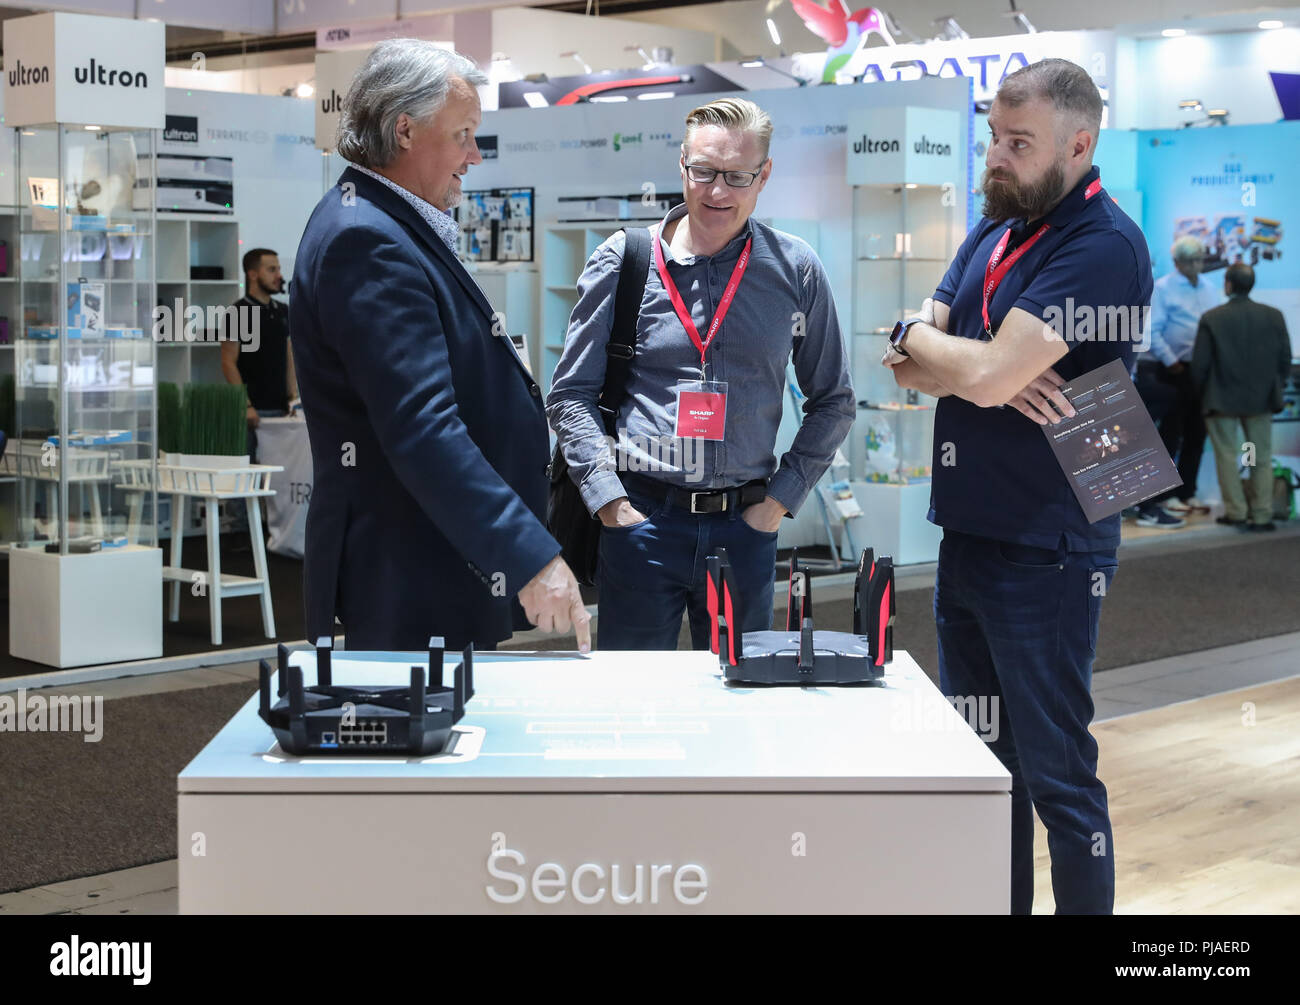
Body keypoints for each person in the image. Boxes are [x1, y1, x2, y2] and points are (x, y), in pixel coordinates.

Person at [881, 59, 1152, 914]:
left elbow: (981, 369)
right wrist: (939, 348)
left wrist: (969, 362)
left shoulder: (1104, 245)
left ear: (1079, 144)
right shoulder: (994, 231)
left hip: (1054, 545)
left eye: (1019, 142)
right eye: (994, 137)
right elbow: (907, 360)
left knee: (1058, 779)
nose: (996, 155)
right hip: (970, 533)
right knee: (986, 774)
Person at [289, 40, 589, 653]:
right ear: (404, 130)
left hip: (430, 564)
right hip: (407, 575)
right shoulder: (368, 241)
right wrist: (529, 557)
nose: (474, 156)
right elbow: (422, 429)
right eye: (464, 135)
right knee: (415, 744)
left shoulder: (384, 223)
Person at [547, 97, 854, 651]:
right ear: (681, 165)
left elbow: (833, 399)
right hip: (642, 522)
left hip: (745, 527)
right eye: (705, 172)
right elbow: (571, 395)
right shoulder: (624, 261)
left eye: (737, 176)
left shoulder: (795, 269)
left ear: (764, 175)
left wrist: (780, 500)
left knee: (740, 705)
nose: (718, 193)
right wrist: (610, 502)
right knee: (637, 708)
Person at [1191, 263, 1292, 532]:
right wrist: (1275, 386)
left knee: (1226, 455)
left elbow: (1199, 365)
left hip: (1220, 400)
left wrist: (1201, 393)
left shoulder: (1213, 318)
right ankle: (1262, 514)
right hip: (1260, 402)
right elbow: (1284, 360)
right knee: (1258, 456)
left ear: (1228, 285)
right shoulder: (1274, 316)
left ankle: (1236, 512)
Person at [1135, 235, 1223, 521]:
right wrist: (1172, 363)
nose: (1195, 265)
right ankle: (1165, 495)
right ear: (1176, 262)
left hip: (1203, 369)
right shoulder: (1163, 288)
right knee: (1171, 433)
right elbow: (1153, 331)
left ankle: (1188, 491)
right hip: (1173, 369)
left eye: (1199, 260)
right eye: (1189, 261)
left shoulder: (1211, 289)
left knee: (1197, 432)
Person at [220, 247, 294, 462]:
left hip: (280, 410)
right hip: (251, 412)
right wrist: (246, 405)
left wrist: (293, 398)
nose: (279, 275)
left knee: (278, 478)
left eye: (278, 269)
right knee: (246, 476)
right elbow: (228, 362)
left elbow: (288, 356)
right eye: (271, 269)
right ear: (253, 274)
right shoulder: (238, 312)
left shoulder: (283, 311)